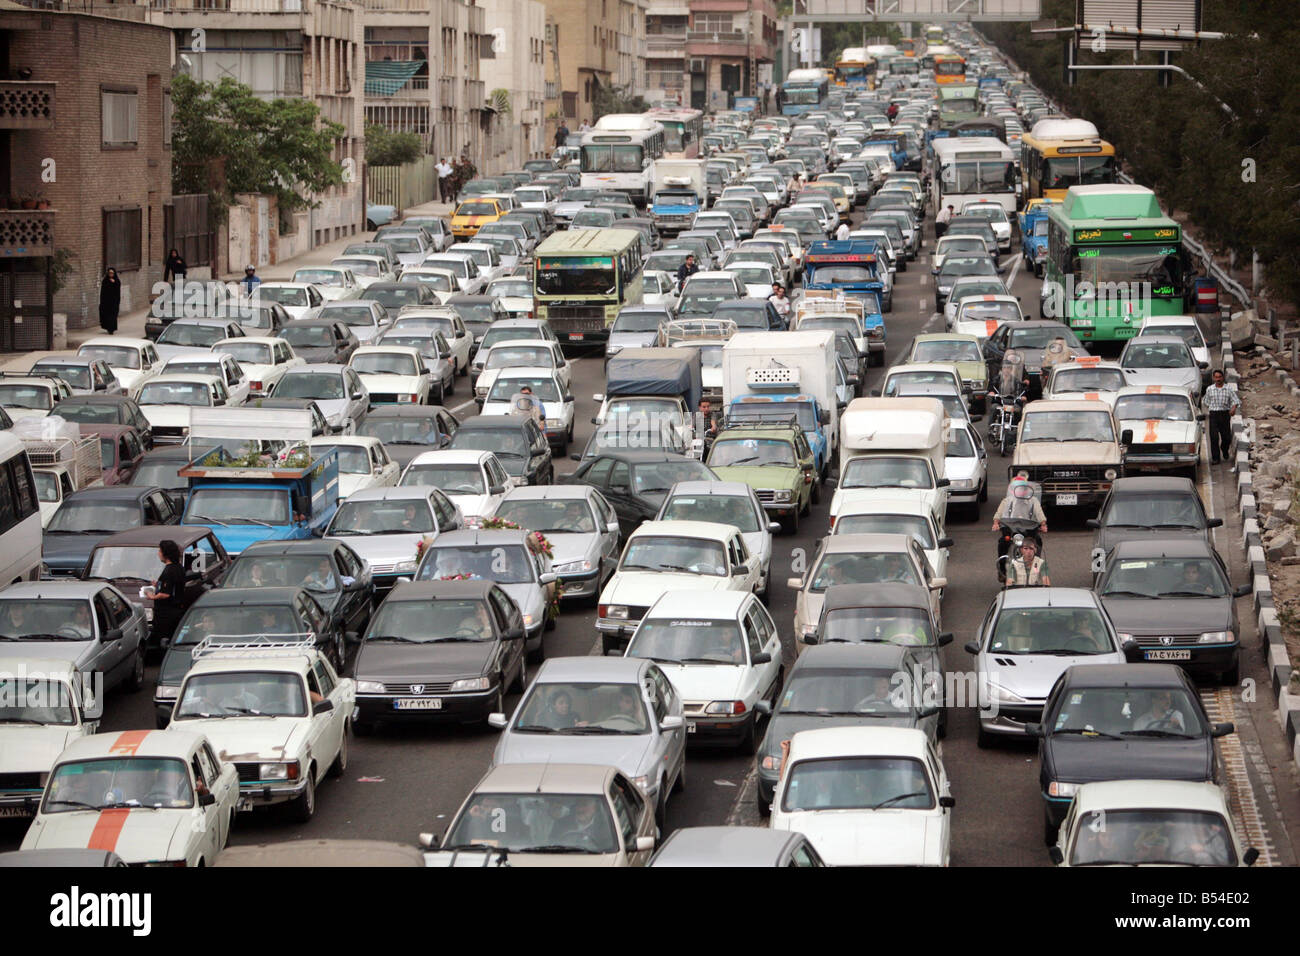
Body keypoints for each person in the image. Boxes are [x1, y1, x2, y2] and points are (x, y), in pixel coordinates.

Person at [144, 539, 188, 647]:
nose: (158, 554)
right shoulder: (179, 568)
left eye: (160, 551)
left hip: (167, 614)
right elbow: (173, 585)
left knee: (164, 640)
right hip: (177, 610)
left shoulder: (169, 571)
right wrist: (158, 585)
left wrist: (152, 596)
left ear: (165, 554)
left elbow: (166, 594)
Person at [1202, 368, 1239, 464]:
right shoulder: (1210, 389)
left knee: (1226, 437)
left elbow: (1235, 400)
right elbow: (1205, 402)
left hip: (1225, 414)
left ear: (1223, 377)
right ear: (1213, 378)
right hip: (1214, 415)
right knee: (1214, 438)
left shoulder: (1228, 389)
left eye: (1220, 377)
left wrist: (1233, 408)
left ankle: (1224, 448)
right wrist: (1210, 409)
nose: (1218, 379)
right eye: (1216, 377)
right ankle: (1216, 458)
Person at [98, 268, 121, 334]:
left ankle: (112, 329)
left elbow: (117, 291)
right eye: (110, 273)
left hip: (114, 302)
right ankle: (108, 328)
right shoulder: (105, 281)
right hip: (106, 302)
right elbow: (103, 292)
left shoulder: (117, 281)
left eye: (112, 273)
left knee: (112, 316)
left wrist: (114, 283)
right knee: (106, 315)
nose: (111, 274)